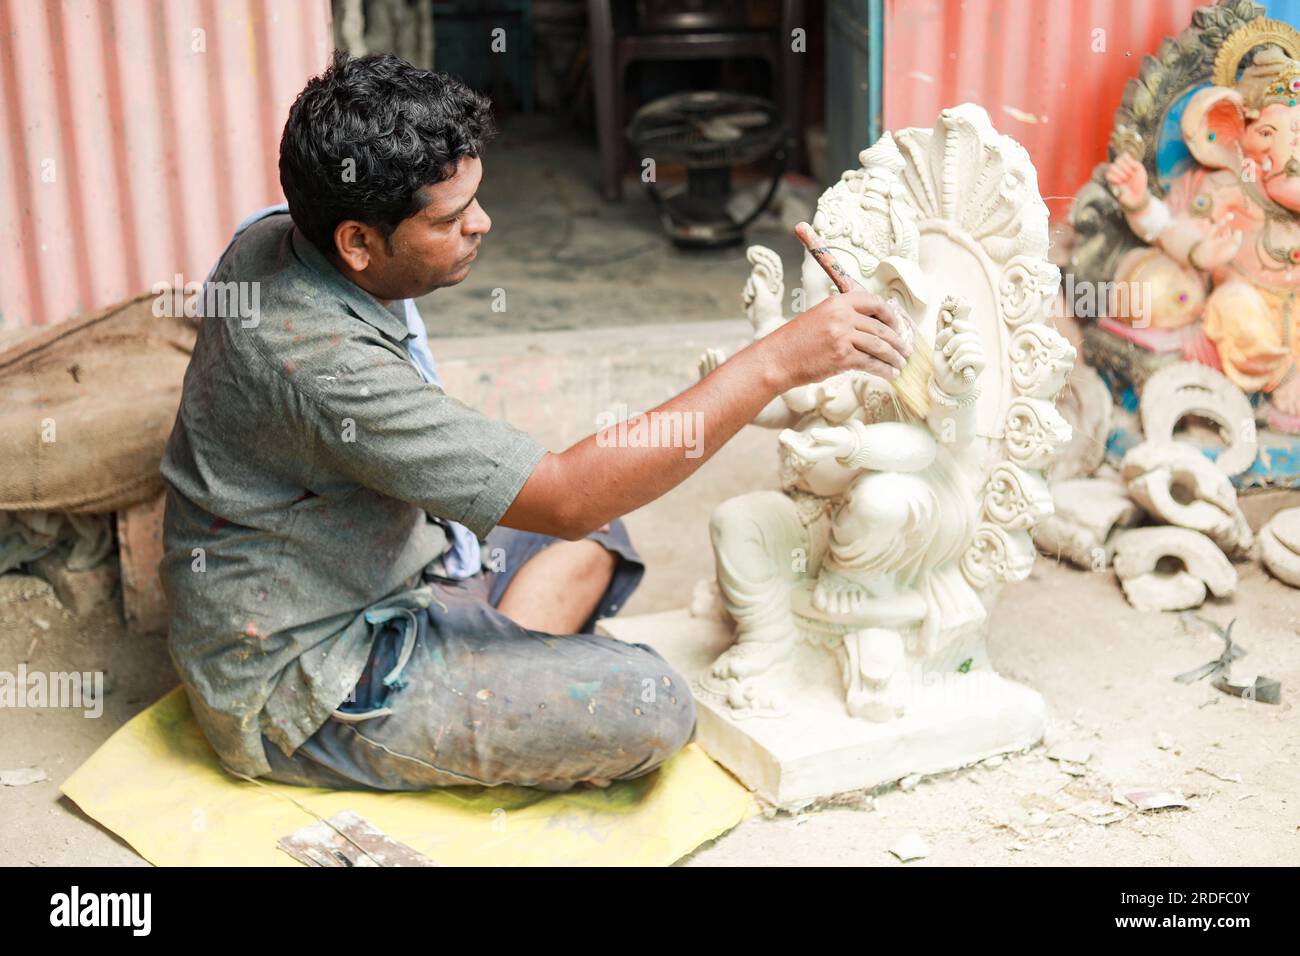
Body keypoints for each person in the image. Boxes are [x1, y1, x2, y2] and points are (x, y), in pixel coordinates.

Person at [159, 51, 912, 792]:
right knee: (652, 703)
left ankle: (485, 652)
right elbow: (569, 493)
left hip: (363, 552)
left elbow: (577, 506)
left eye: (476, 199)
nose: (482, 224)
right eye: (452, 218)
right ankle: (471, 664)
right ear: (357, 241)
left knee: (598, 538)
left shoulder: (278, 233)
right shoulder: (320, 363)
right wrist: (776, 362)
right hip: (311, 675)